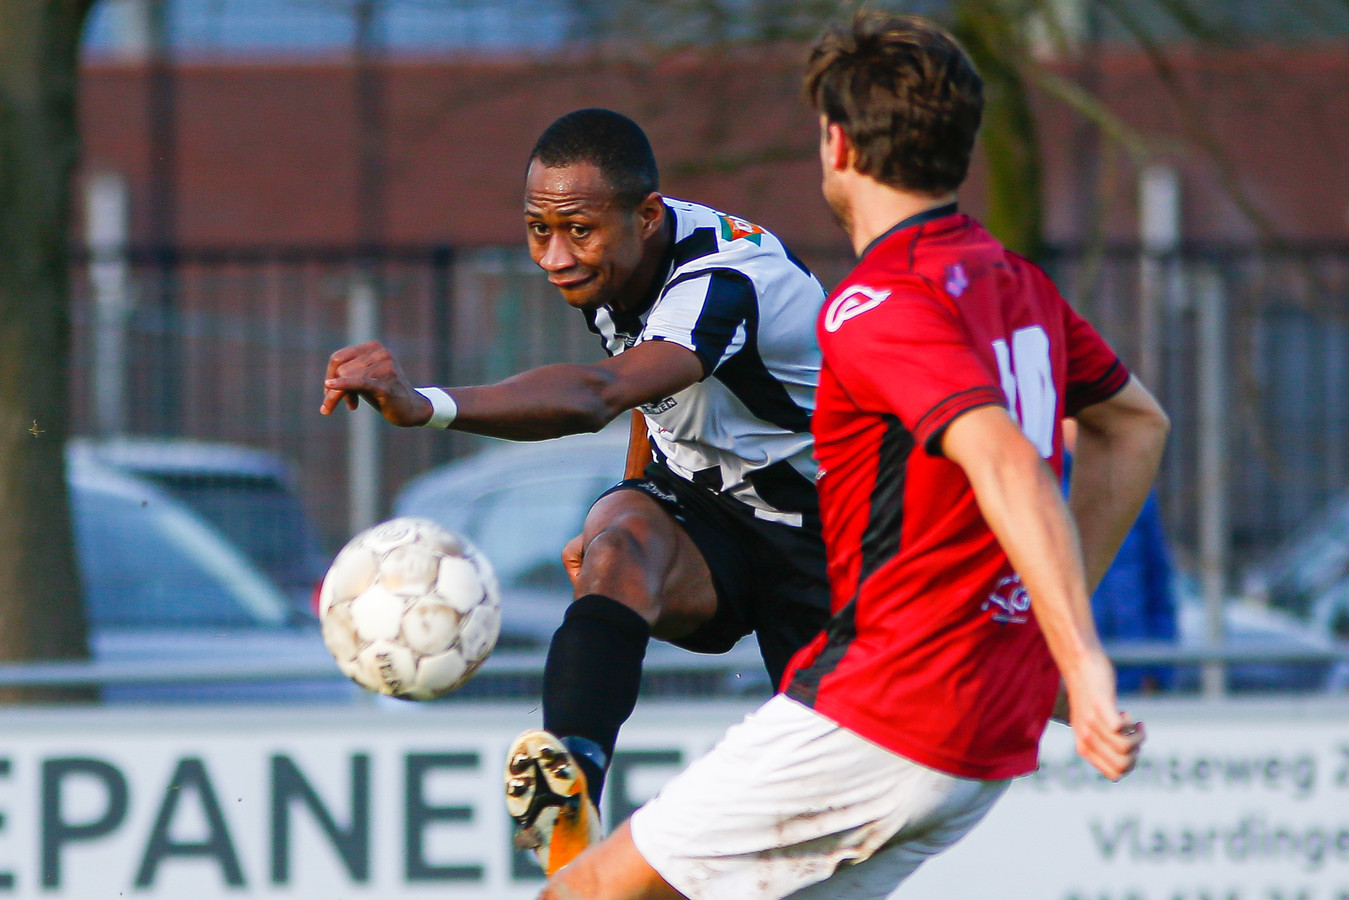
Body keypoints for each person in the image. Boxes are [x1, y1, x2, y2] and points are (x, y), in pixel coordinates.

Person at [536, 13, 1170, 900]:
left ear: (836, 145)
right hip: (977, 742)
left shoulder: (875, 304)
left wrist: (1081, 665)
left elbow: (1004, 461)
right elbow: (1136, 425)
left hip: (883, 706)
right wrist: (1041, 647)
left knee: (585, 892)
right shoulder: (1013, 284)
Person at [319, 108, 832, 875]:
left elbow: (599, 391)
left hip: (827, 540)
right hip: (713, 511)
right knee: (618, 539)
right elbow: (645, 404)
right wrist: (633, 515)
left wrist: (426, 404)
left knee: (829, 829)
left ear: (646, 216)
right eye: (535, 230)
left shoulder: (725, 282)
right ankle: (571, 780)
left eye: (577, 231)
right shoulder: (618, 260)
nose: (554, 255)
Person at [1063, 418, 1179, 694]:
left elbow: (1158, 585)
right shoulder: (1039, 487)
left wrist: (1158, 671)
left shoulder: (1131, 484)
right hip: (1066, 682)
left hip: (1132, 678)